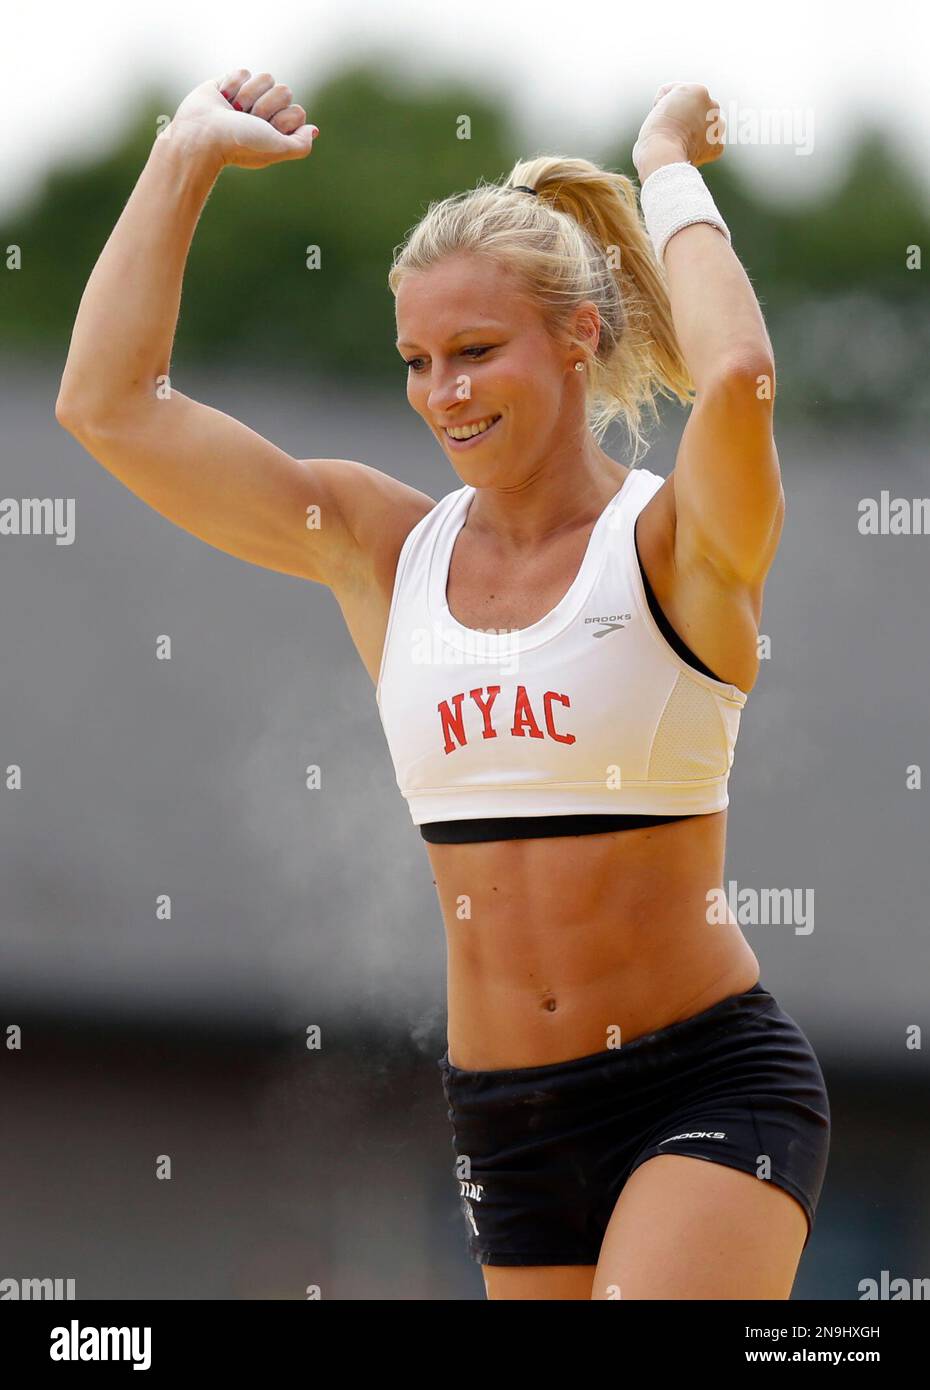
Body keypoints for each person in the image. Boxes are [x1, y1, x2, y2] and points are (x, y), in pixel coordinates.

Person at [55, 70, 830, 1301]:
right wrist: (185, 152)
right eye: (417, 360)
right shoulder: (380, 546)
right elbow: (108, 406)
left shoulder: (676, 547)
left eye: (475, 352)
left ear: (578, 334)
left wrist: (667, 164)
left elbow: (735, 380)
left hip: (704, 1083)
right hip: (510, 1115)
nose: (443, 393)